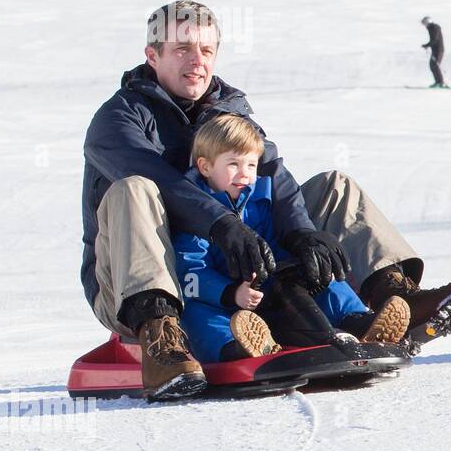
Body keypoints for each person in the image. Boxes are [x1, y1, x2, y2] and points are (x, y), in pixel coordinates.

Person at [82, 0, 451, 401]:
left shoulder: (227, 109)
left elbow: (274, 173)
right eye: (183, 49)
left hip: (235, 268)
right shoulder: (117, 120)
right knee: (134, 189)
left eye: (206, 50)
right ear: (153, 55)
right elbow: (163, 182)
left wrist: (301, 233)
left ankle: (394, 302)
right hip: (141, 282)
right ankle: (161, 339)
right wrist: (223, 226)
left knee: (333, 187)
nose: (197, 61)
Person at [174, 114, 410, 363]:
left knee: (323, 276)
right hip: (224, 300)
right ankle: (237, 347)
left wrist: (301, 264)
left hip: (270, 293)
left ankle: (357, 321)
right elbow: (190, 273)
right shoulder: (196, 213)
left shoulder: (262, 199)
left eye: (251, 165)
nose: (244, 174)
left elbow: (276, 242)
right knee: (199, 315)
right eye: (233, 164)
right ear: (205, 166)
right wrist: (230, 293)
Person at [421, 15, 447, 88]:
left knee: (435, 65)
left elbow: (435, 40)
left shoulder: (434, 28)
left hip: (439, 50)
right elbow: (433, 40)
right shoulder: (431, 28)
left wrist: (427, 45)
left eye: (424, 23)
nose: (423, 25)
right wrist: (427, 45)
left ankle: (441, 83)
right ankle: (437, 82)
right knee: (432, 66)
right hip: (435, 50)